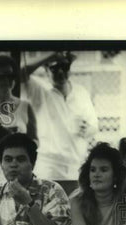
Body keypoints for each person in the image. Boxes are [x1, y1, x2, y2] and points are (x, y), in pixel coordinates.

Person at [21, 51, 98, 180]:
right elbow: (20, 73)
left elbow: (94, 126)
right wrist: (51, 55)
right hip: (49, 166)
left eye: (65, 67)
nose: (61, 72)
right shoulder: (40, 91)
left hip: (77, 164)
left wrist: (86, 128)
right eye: (55, 68)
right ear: (46, 71)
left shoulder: (81, 92)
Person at [0, 55, 37, 142]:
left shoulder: (25, 107)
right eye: (0, 77)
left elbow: (34, 140)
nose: (6, 81)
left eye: (10, 76)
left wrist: (22, 141)